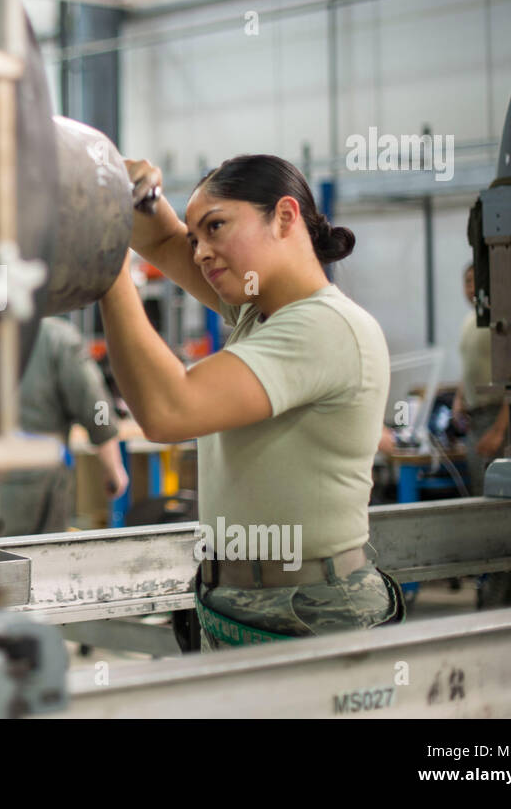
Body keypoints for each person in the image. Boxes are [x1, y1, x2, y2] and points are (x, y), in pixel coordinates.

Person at [101, 154, 405, 650]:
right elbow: (159, 238)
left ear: (285, 217)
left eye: (216, 227)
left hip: (307, 613)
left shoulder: (324, 327)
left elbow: (167, 410)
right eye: (196, 238)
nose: (200, 252)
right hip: (242, 604)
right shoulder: (256, 310)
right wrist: (130, 193)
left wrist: (108, 265)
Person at [0, 317, 128, 537]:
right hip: (33, 483)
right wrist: (113, 467)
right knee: (38, 561)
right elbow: (96, 408)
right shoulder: (55, 337)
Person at [454, 263, 511, 606]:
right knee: (484, 511)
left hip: (496, 421)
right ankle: (507, 594)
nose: (471, 288)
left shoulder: (502, 324)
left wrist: (501, 430)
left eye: (476, 281)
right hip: (476, 420)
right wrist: (460, 397)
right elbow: (471, 367)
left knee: (498, 512)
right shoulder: (470, 323)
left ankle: (502, 598)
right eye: (467, 282)